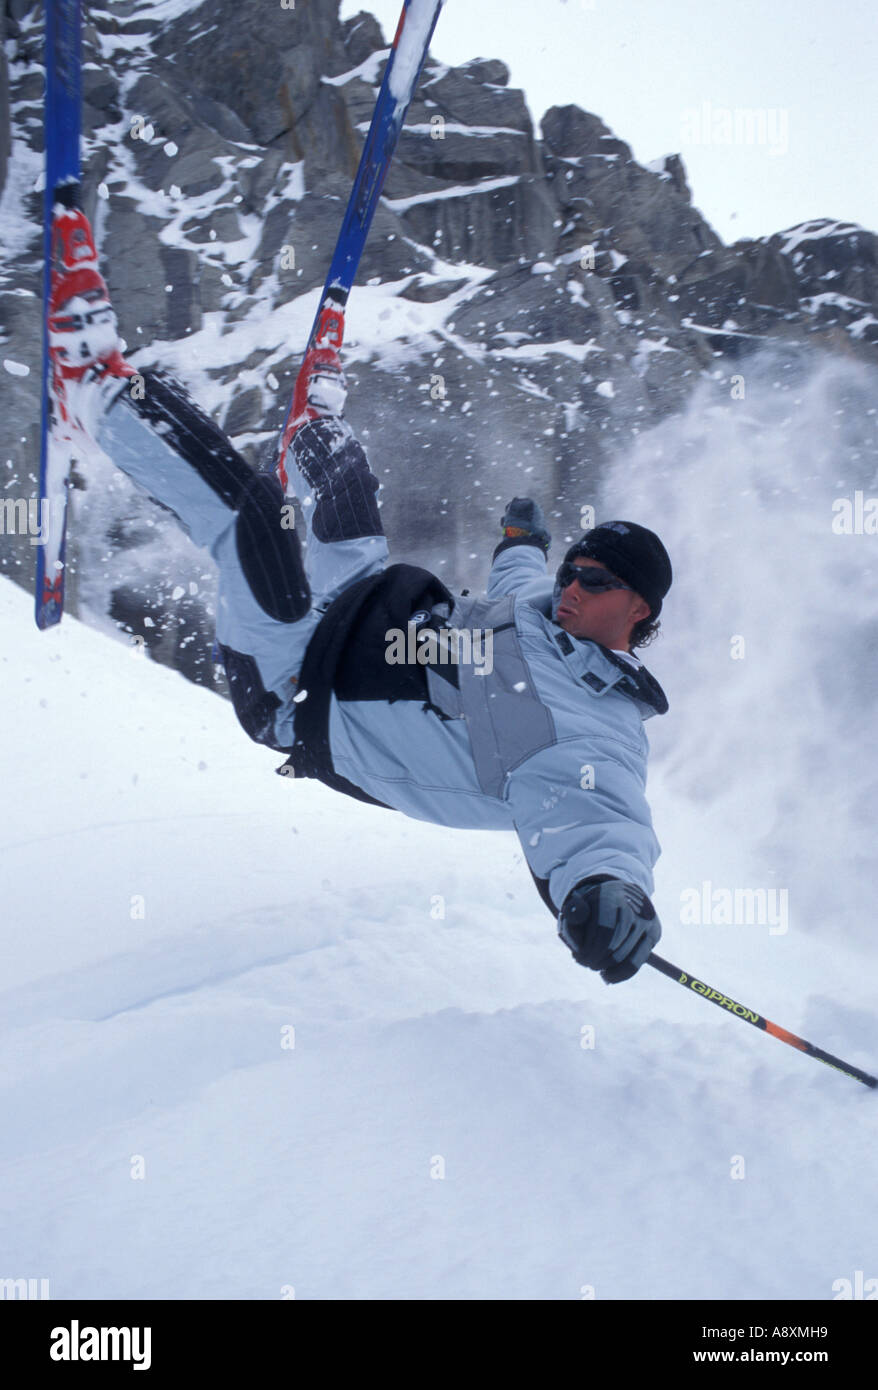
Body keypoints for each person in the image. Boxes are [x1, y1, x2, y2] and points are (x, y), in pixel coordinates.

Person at [66, 265, 671, 986]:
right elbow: (518, 576)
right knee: (346, 480)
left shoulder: (597, 736)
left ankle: (93, 389)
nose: (572, 585)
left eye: (596, 580)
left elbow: (604, 828)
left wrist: (609, 893)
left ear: (640, 611)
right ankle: (313, 421)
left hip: (301, 688)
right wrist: (521, 540)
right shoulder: (548, 608)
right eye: (572, 568)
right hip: (356, 601)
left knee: (254, 518)